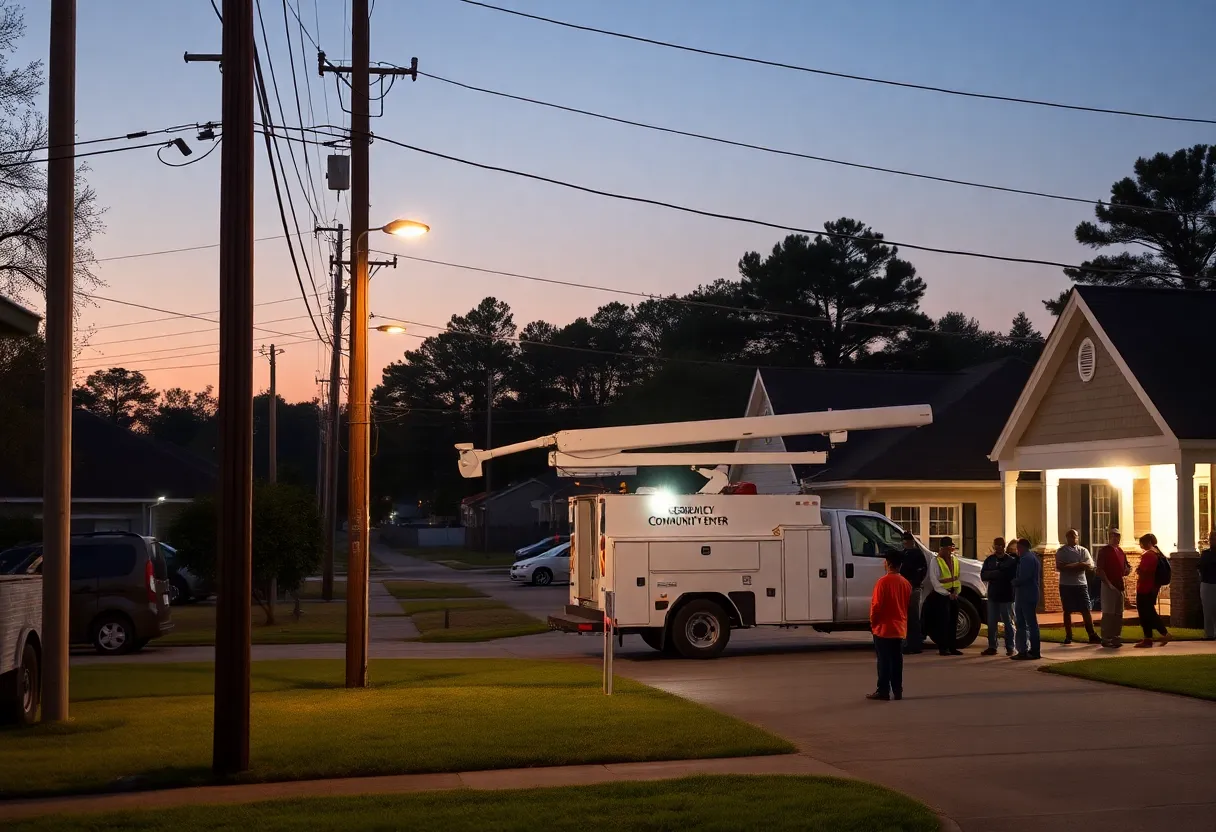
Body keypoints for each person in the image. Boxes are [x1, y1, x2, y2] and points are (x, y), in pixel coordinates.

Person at [868, 549, 912, 701]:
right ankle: (897, 690)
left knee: (884, 661)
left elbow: (876, 607)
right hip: (899, 628)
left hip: (883, 628)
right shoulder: (906, 583)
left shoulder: (882, 582)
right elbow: (906, 606)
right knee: (897, 660)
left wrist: (873, 623)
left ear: (888, 563)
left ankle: (883, 690)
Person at [1055, 529, 1100, 645]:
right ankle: (1068, 635)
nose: (1073, 538)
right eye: (1070, 536)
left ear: (1077, 537)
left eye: (1074, 536)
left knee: (1086, 609)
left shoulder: (1083, 551)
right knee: (1067, 610)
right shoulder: (1061, 551)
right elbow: (1060, 567)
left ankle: (1091, 634)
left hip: (1081, 584)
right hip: (1066, 585)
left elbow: (1089, 566)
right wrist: (1079, 565)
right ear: (1067, 537)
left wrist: (1073, 566)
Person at [980, 537, 1017, 656]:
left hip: (1007, 596)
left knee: (1008, 623)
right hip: (993, 596)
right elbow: (983, 575)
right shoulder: (989, 560)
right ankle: (992, 646)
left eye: (1001, 545)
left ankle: (1010, 647)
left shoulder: (1010, 561)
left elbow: (1010, 576)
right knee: (991, 623)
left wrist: (996, 574)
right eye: (996, 545)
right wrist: (996, 573)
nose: (998, 547)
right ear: (994, 545)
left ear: (1004, 546)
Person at [1134, 533, 1170, 648]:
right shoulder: (1157, 554)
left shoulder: (1149, 555)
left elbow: (1144, 572)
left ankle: (1159, 635)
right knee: (1149, 612)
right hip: (1153, 587)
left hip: (1145, 588)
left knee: (1146, 613)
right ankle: (1149, 638)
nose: (1140, 545)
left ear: (1148, 542)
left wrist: (1139, 571)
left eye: (1142, 543)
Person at [930, 536, 963, 656]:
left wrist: (956, 593)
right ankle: (943, 648)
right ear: (942, 549)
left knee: (953, 622)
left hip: (954, 594)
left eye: (951, 548)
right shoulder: (936, 561)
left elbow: (958, 578)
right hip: (942, 595)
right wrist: (947, 594)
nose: (950, 551)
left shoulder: (955, 560)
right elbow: (935, 581)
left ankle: (952, 647)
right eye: (948, 549)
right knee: (943, 623)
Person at [1095, 529, 1128, 648]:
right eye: (1113, 536)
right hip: (1109, 585)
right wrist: (1108, 584)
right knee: (1108, 613)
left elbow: (1125, 567)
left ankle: (1116, 637)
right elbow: (1100, 570)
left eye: (1118, 536)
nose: (1116, 538)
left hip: (1119, 586)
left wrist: (1127, 570)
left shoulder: (1120, 551)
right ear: (1109, 537)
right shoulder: (1104, 551)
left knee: (1118, 613)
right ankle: (1106, 638)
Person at [1010, 538, 1041, 660]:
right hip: (1030, 594)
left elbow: (1024, 577)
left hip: (1025, 595)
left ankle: (1028, 650)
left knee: (1025, 623)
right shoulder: (1033, 558)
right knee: (1030, 623)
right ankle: (1029, 649)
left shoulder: (1026, 559)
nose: (1017, 551)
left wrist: (1013, 582)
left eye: (1018, 548)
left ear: (1022, 547)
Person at [898, 531, 927, 655]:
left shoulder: (917, 554)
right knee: (907, 617)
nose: (905, 542)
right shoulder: (904, 554)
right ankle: (908, 643)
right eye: (904, 540)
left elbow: (921, 571)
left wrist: (915, 582)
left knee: (913, 617)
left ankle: (914, 644)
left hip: (913, 588)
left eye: (907, 540)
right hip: (906, 588)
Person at [1201, 530, 1216, 641]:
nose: (1212, 541)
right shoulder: (1206, 553)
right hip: (1207, 583)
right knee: (1208, 609)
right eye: (1211, 539)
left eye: (1214, 539)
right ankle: (1209, 634)